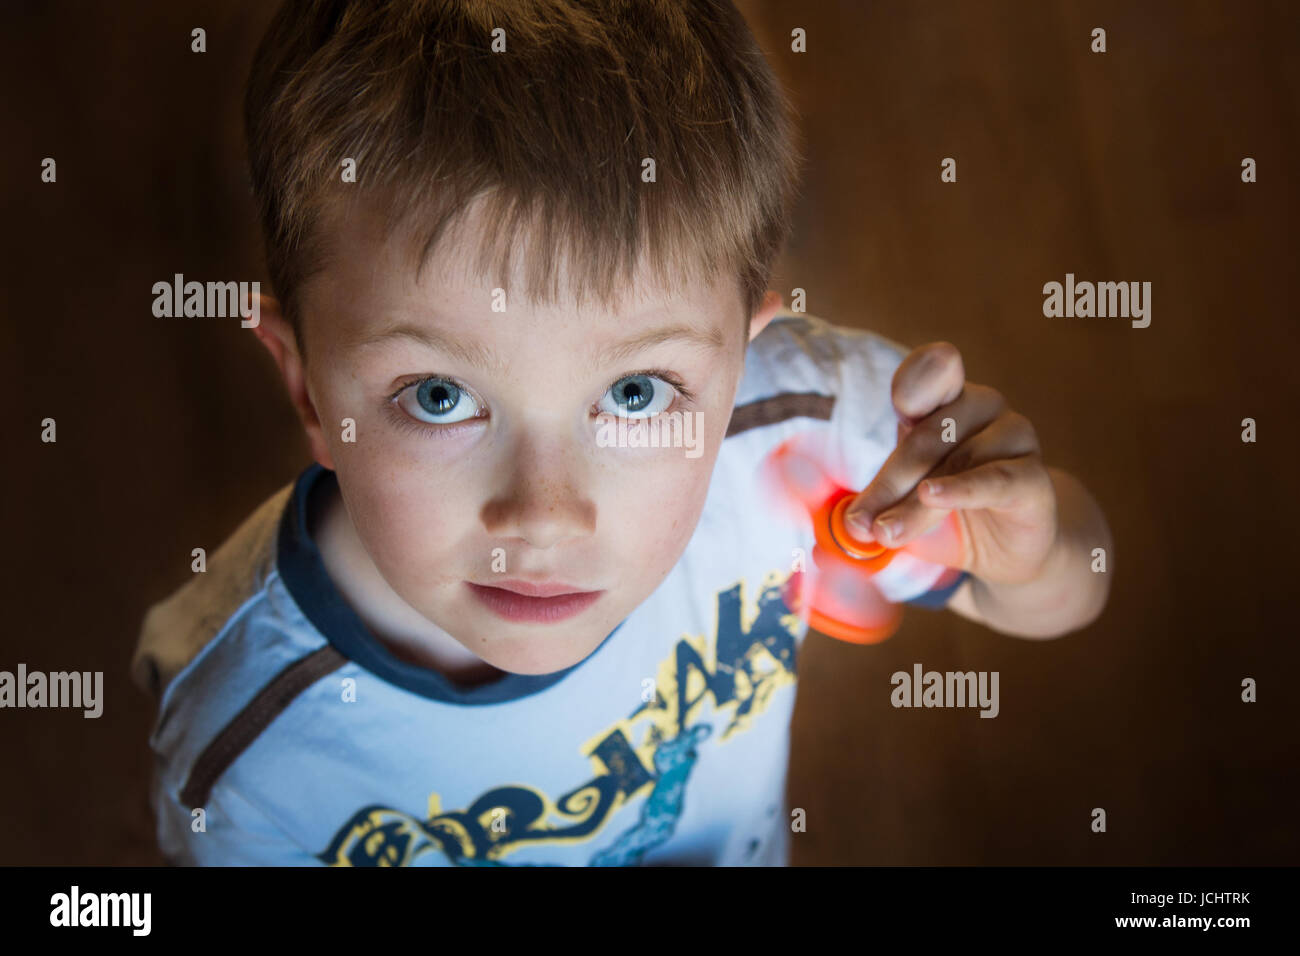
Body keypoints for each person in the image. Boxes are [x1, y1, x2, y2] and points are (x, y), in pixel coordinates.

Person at [132, 0, 1112, 866]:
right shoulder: (251, 744)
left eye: (638, 392)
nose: (545, 516)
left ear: (738, 361)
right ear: (307, 391)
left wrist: (1028, 551)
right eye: (437, 396)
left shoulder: (800, 422)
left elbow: (1069, 589)